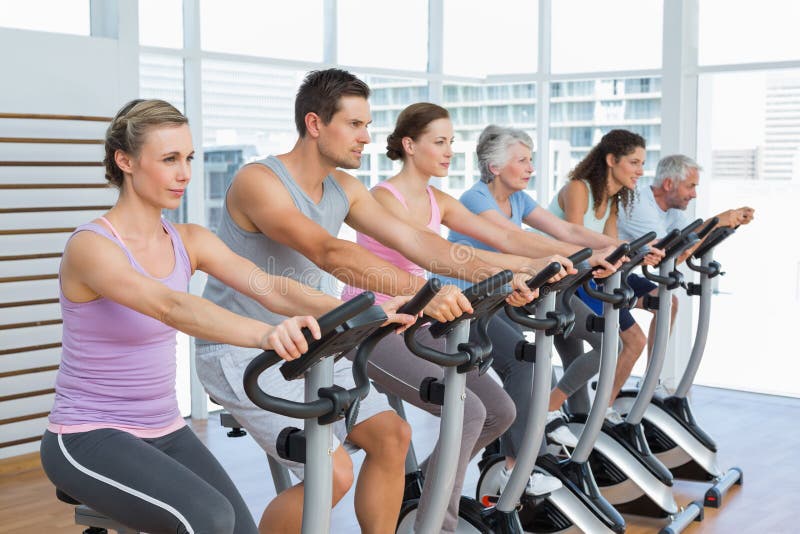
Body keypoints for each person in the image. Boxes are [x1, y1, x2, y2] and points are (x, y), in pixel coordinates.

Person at [195, 70, 549, 534]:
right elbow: (329, 251)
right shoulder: (259, 181)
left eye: (368, 124)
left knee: (392, 437)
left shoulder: (346, 186)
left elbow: (424, 246)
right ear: (316, 123)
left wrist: (507, 277)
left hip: (312, 343)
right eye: (356, 124)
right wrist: (425, 294)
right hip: (242, 350)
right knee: (334, 473)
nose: (367, 137)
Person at [39, 99, 406, 534]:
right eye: (169, 159)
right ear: (126, 161)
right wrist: (267, 335)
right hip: (86, 435)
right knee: (209, 519)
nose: (185, 174)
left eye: (189, 158)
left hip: (165, 430)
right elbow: (171, 307)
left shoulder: (188, 239)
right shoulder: (93, 246)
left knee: (237, 528)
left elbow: (269, 285)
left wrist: (365, 311)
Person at [338, 103, 579, 530]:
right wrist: (508, 274)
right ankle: (438, 522)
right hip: (374, 327)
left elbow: (504, 236)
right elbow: (438, 255)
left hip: (421, 321)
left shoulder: (438, 199)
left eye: (451, 142)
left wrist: (575, 256)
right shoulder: (382, 198)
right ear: (410, 145)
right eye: (439, 141)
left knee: (500, 411)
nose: (450, 151)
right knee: (465, 410)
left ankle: (426, 489)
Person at [447, 124, 662, 493]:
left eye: (531, 159)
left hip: (508, 296)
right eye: (522, 160)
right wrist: (587, 257)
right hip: (471, 303)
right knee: (524, 362)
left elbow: (568, 232)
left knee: (540, 358)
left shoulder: (518, 200)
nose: (531, 167)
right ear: (495, 167)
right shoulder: (476, 198)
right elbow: (516, 239)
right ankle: (518, 466)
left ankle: (537, 441)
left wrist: (621, 247)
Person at [548, 129, 665, 422]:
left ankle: (586, 415)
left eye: (642, 163)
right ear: (612, 160)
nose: (641, 170)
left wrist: (639, 254)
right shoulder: (578, 188)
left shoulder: (612, 201)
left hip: (586, 274)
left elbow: (610, 246)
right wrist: (619, 250)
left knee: (663, 301)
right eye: (634, 162)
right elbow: (573, 238)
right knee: (617, 344)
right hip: (560, 278)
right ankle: (549, 410)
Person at [617, 154, 754, 258]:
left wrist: (729, 222)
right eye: (690, 186)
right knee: (661, 296)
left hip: (623, 275)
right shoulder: (638, 205)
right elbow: (668, 256)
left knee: (670, 297)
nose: (694, 195)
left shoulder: (672, 209)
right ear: (669, 184)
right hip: (607, 279)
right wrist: (714, 222)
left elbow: (691, 243)